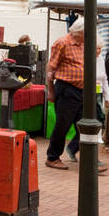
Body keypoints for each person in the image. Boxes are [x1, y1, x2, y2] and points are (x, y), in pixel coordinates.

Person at [45, 18, 86, 170]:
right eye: (85, 33)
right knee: (63, 125)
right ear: (78, 32)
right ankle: (52, 157)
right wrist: (51, 90)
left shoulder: (83, 44)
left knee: (85, 123)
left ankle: (83, 155)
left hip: (81, 90)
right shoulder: (62, 43)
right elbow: (51, 68)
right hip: (66, 89)